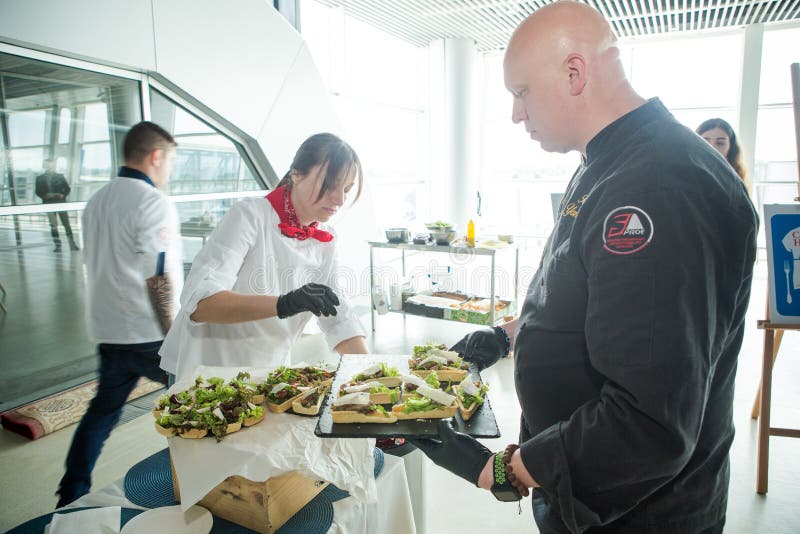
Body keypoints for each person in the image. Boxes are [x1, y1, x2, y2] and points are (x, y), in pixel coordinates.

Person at [409, 3, 758, 533]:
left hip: (637, 515)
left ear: (575, 72)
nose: (515, 115)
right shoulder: (611, 162)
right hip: (583, 496)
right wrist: (507, 337)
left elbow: (647, 422)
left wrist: (499, 470)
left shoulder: (659, 188)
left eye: (520, 93)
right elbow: (595, 300)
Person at [159, 133, 368, 381]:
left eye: (346, 189)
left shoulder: (326, 240)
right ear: (297, 174)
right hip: (206, 370)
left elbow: (337, 316)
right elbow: (200, 303)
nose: (340, 199)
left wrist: (372, 374)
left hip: (267, 371)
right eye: (331, 185)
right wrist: (285, 303)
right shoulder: (249, 216)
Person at [56, 121, 183, 507]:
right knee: (193, 399)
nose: (169, 170)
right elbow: (158, 276)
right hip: (149, 334)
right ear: (156, 156)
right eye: (170, 161)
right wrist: (174, 335)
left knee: (101, 414)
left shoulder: (97, 200)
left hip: (109, 329)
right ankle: (199, 477)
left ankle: (70, 493)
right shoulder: (152, 202)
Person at [35, 159, 79, 251]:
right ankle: (58, 246)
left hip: (60, 203)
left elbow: (67, 189)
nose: (50, 167)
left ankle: (72, 244)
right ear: (44, 166)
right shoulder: (39, 178)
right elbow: (38, 192)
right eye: (48, 165)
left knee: (66, 224)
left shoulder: (60, 176)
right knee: (53, 225)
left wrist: (63, 195)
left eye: (51, 165)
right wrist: (45, 196)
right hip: (48, 203)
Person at [696, 117, 750, 192]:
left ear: (731, 149)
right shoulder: (684, 177)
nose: (712, 148)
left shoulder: (736, 184)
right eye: (705, 142)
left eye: (720, 143)